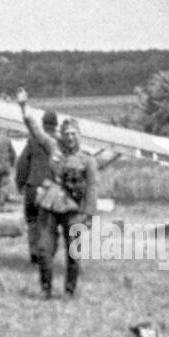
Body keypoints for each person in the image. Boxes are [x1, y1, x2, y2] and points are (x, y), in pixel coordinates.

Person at [40, 118, 97, 298]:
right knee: (44, 249)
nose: (70, 137)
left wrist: (88, 215)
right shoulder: (54, 151)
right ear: (61, 136)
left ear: (79, 135)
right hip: (51, 206)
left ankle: (69, 291)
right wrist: (24, 108)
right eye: (66, 134)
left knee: (73, 252)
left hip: (74, 209)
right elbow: (36, 131)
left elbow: (92, 187)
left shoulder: (87, 159)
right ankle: (46, 289)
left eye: (73, 133)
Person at [15, 87, 60, 269]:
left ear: (43, 123)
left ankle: (34, 253)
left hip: (33, 187)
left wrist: (20, 183)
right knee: (49, 225)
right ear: (56, 125)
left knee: (32, 222)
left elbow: (22, 163)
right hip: (50, 190)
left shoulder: (33, 141)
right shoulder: (60, 143)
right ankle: (46, 253)